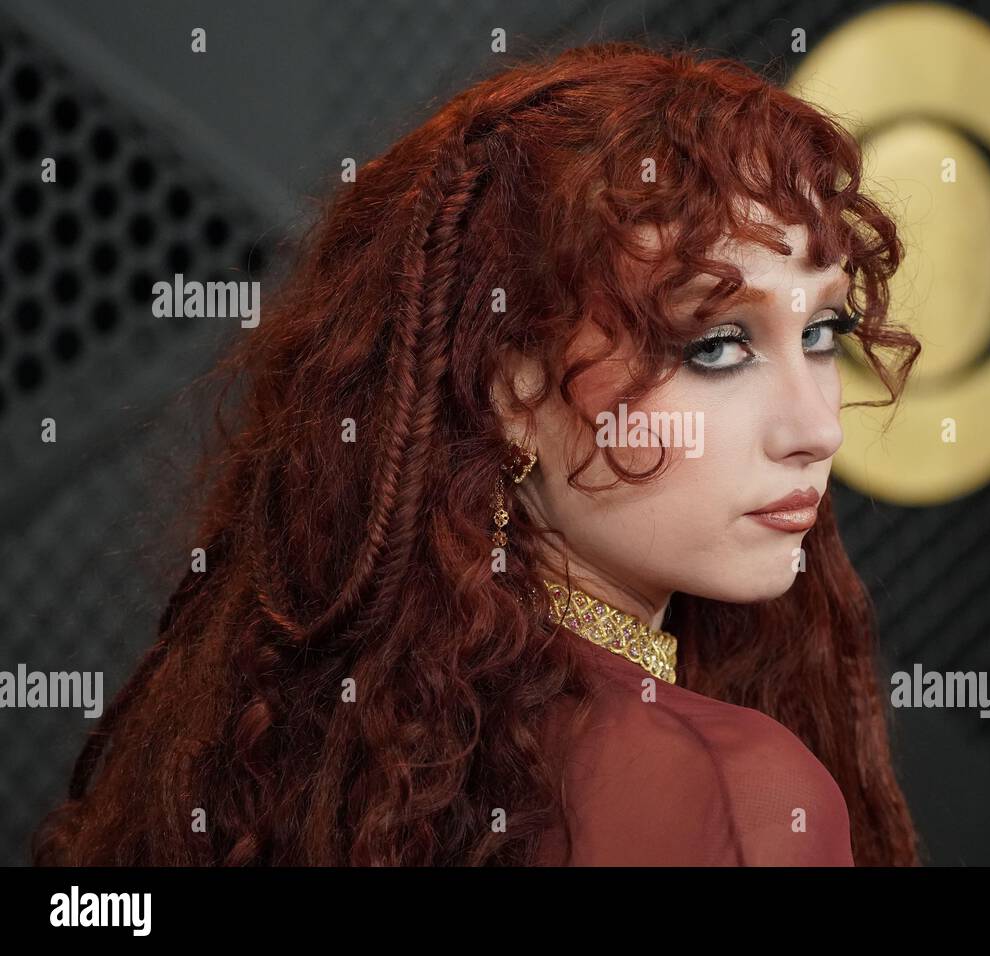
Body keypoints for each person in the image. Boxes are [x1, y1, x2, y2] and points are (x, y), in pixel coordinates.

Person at [32, 40, 921, 866]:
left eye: (822, 330)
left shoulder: (314, 757)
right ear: (510, 393)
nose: (816, 427)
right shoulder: (732, 788)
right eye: (715, 345)